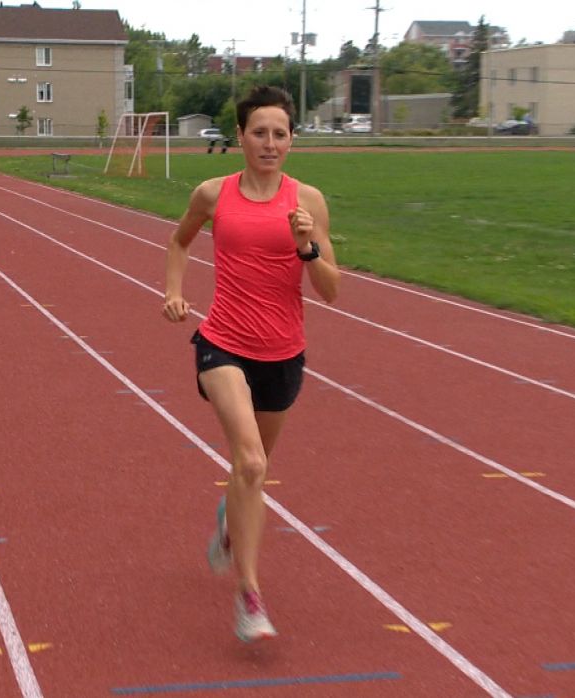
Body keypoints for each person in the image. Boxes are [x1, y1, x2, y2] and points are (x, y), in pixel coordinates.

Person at [162, 86, 340, 642]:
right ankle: (249, 595)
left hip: (283, 353)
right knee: (253, 465)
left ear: (291, 140)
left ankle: (229, 521)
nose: (269, 143)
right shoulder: (213, 194)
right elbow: (179, 241)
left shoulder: (307, 200)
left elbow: (332, 291)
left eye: (279, 134)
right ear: (239, 136)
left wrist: (308, 248)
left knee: (250, 470)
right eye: (259, 132)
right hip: (222, 343)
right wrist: (173, 291)